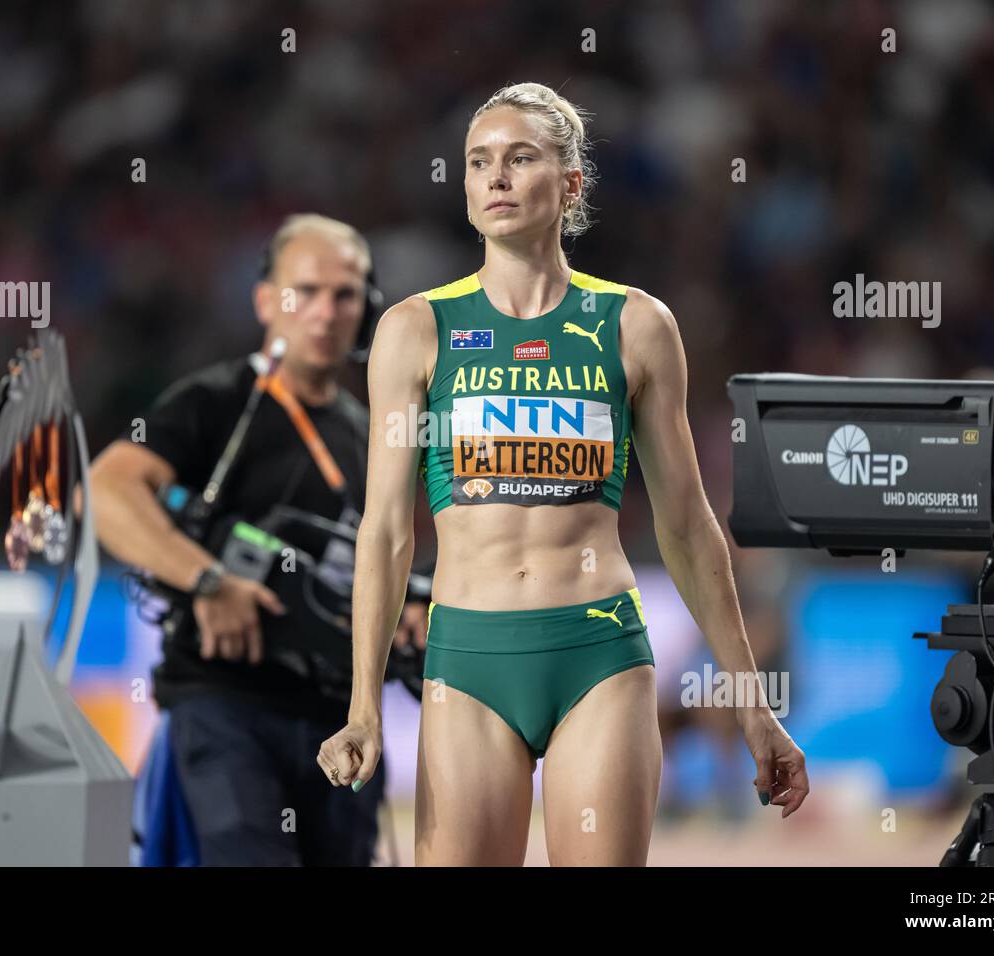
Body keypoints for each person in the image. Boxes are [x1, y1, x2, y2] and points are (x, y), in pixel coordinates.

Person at [316, 83, 810, 865]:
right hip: (467, 663)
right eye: (480, 163)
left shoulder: (636, 325)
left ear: (571, 183)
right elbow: (382, 531)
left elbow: (686, 526)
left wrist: (752, 706)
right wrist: (363, 706)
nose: (496, 178)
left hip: (599, 655)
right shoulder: (416, 330)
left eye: (520, 158)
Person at [91, 214, 428, 865]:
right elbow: (106, 491)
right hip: (227, 706)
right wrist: (206, 580)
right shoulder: (216, 404)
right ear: (265, 301)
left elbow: (380, 562)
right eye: (306, 291)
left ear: (368, 310)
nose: (326, 312)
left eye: (346, 295)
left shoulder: (370, 434)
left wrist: (402, 617)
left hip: (338, 719)